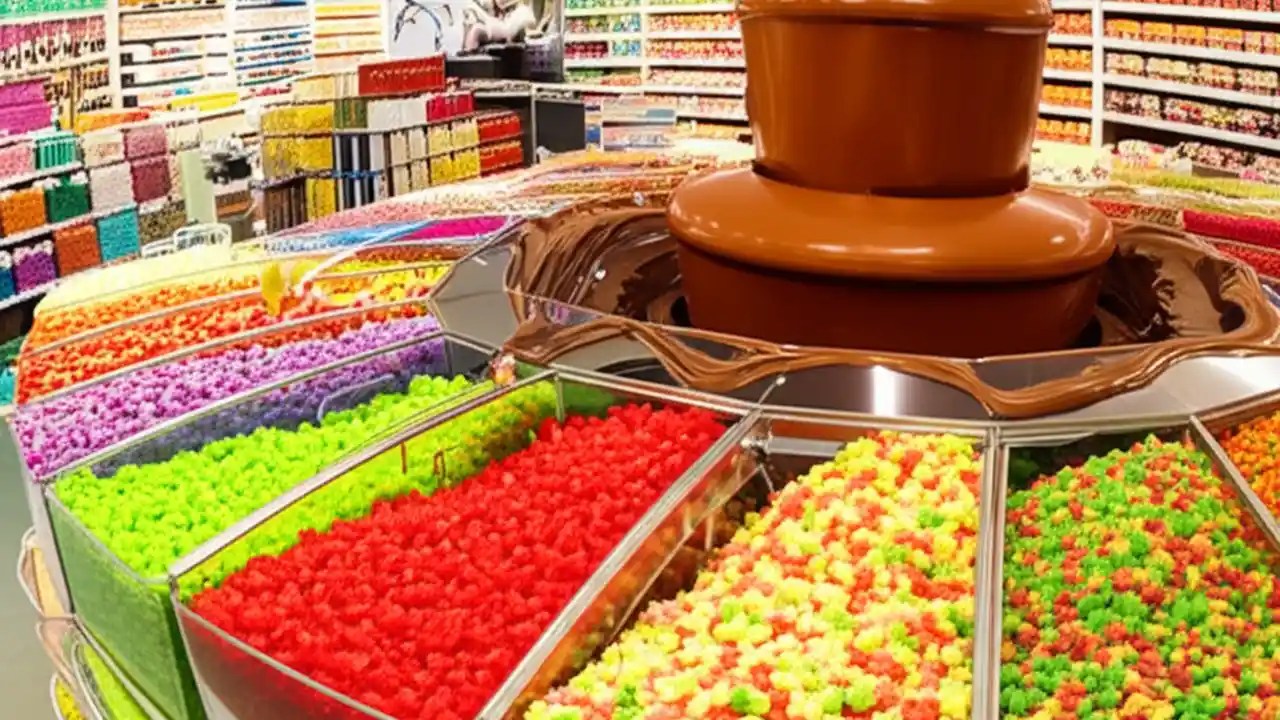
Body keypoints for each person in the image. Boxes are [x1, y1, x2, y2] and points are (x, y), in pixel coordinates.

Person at [463, 0, 537, 51]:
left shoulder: (522, 12)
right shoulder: (483, 11)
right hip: (484, 56)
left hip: (510, 59)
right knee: (475, 29)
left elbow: (529, 29)